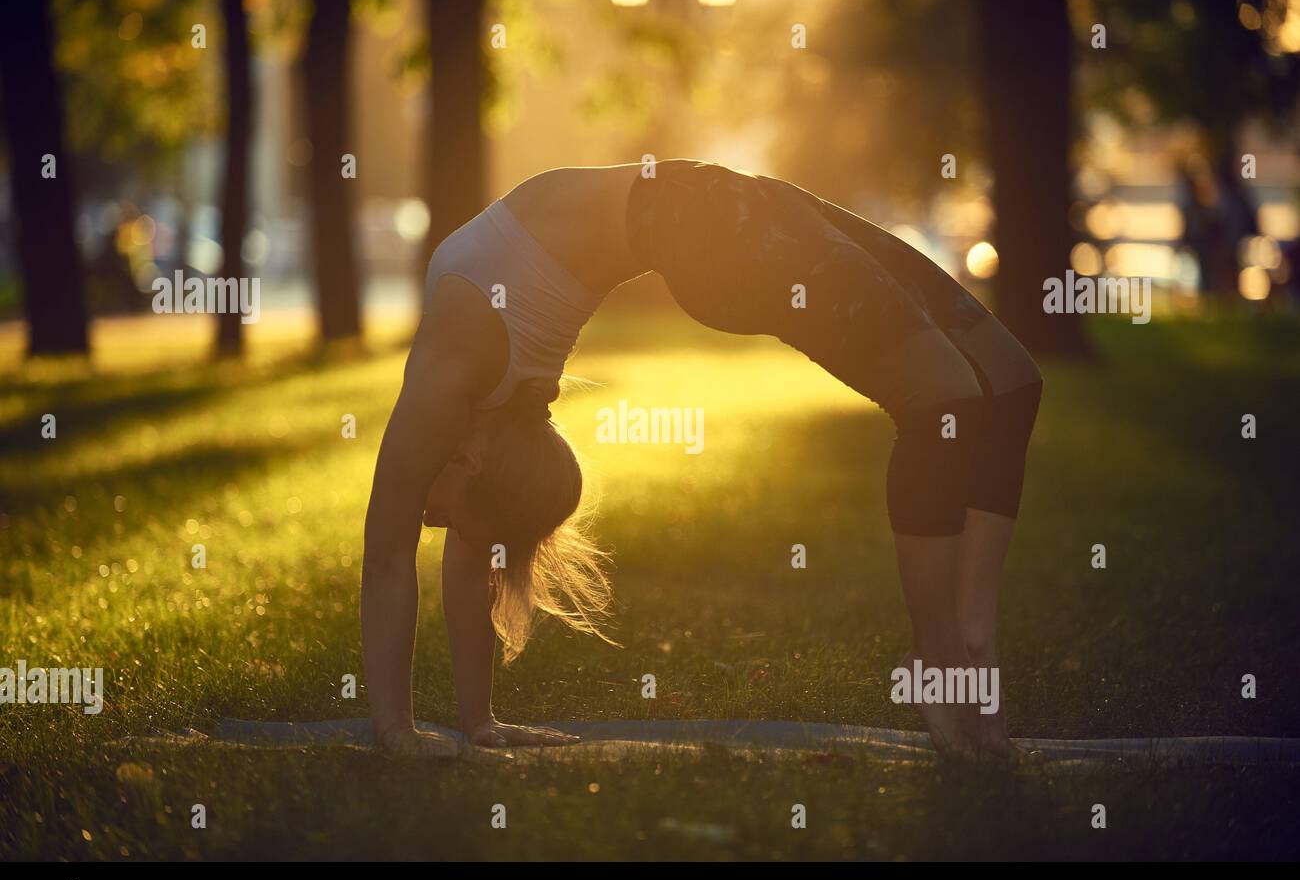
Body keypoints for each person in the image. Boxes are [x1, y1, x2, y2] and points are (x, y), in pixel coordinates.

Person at [361, 159, 1042, 760]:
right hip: (715, 228)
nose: (425, 514)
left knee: (1010, 380)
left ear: (474, 464)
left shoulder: (456, 376)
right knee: (941, 396)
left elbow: (390, 550)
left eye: (435, 516)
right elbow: (468, 546)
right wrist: (436, 726)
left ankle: (972, 637)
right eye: (441, 520)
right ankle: (939, 654)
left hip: (728, 202)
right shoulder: (480, 393)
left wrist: (444, 724)